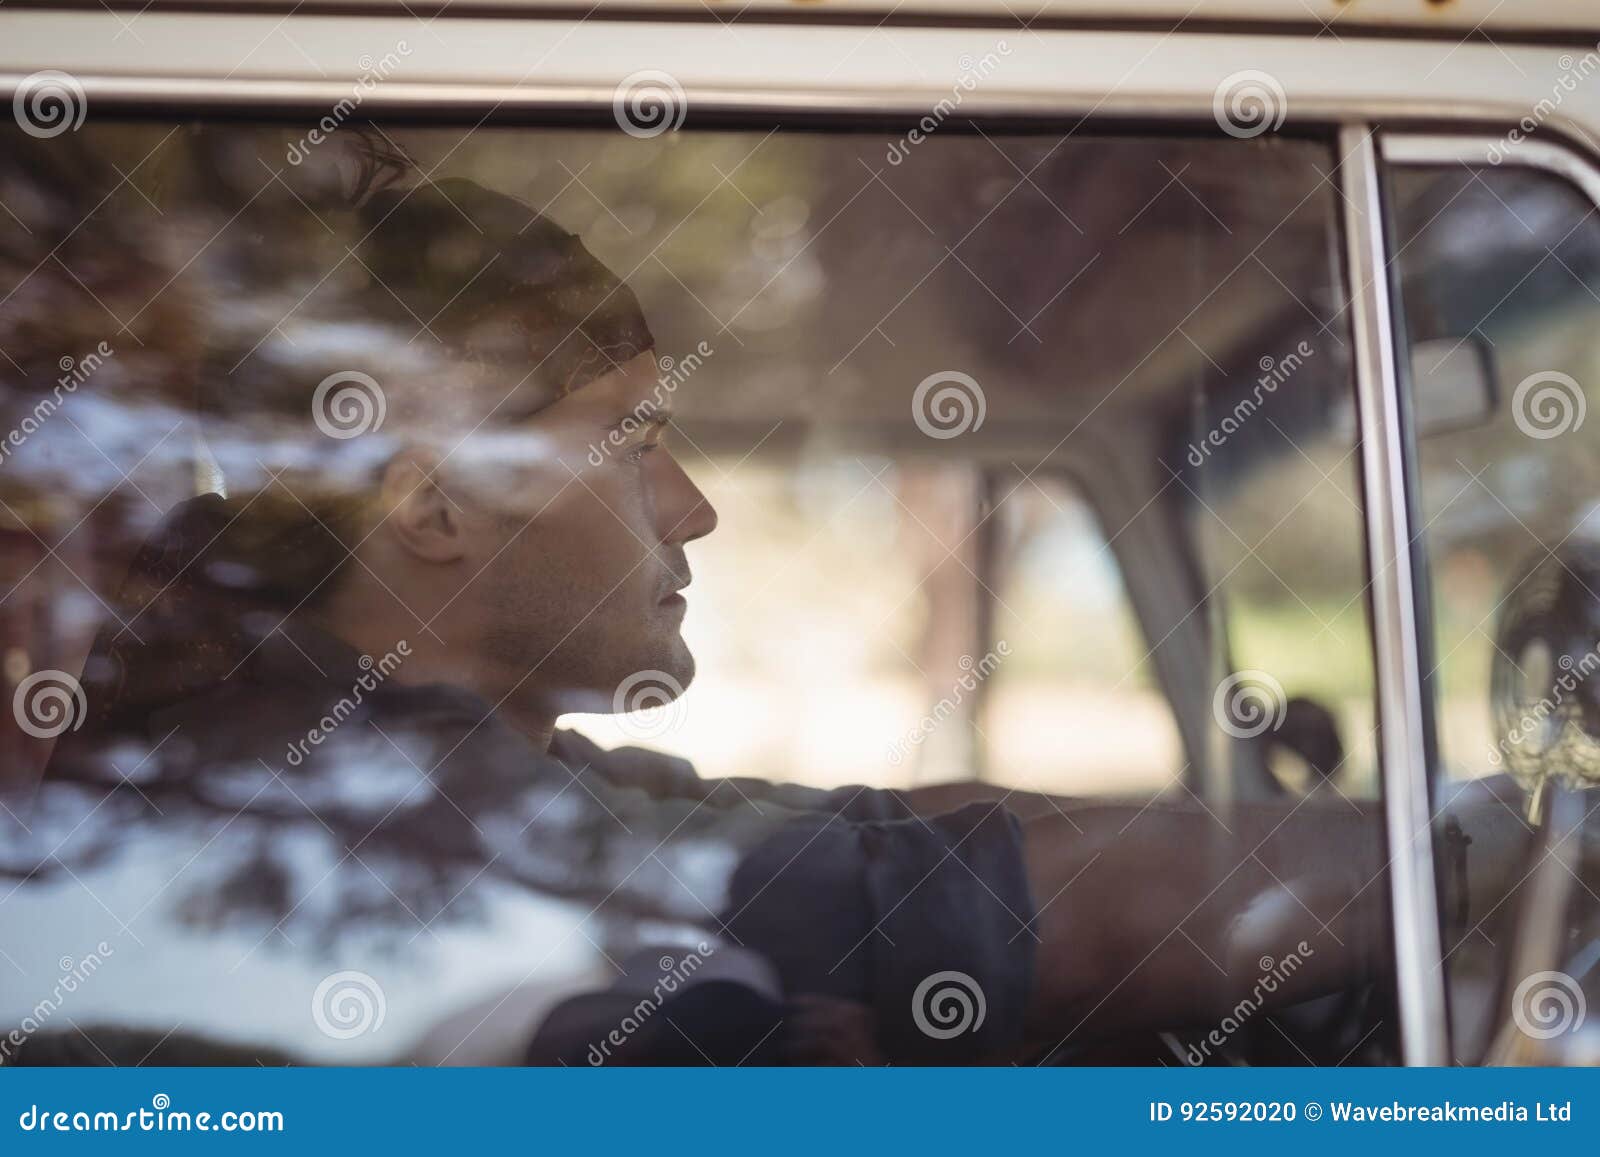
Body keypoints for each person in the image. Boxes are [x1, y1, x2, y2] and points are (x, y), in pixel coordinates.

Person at [3, 143, 1520, 1066]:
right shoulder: (379, 792)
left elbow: (894, 830)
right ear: (437, 502)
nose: (692, 505)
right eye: (627, 441)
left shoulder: (439, 769)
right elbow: (1074, 911)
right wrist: (1509, 844)